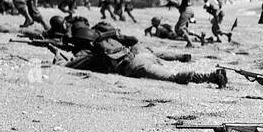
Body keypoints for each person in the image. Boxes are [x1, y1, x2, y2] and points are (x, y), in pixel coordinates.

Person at [65, 22, 228, 87]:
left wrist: (60, 53)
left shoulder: (92, 52)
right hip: (140, 57)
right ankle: (189, 62)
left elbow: (70, 65)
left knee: (173, 77)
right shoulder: (109, 41)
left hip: (136, 66)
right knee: (161, 59)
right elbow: (133, 40)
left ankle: (212, 76)